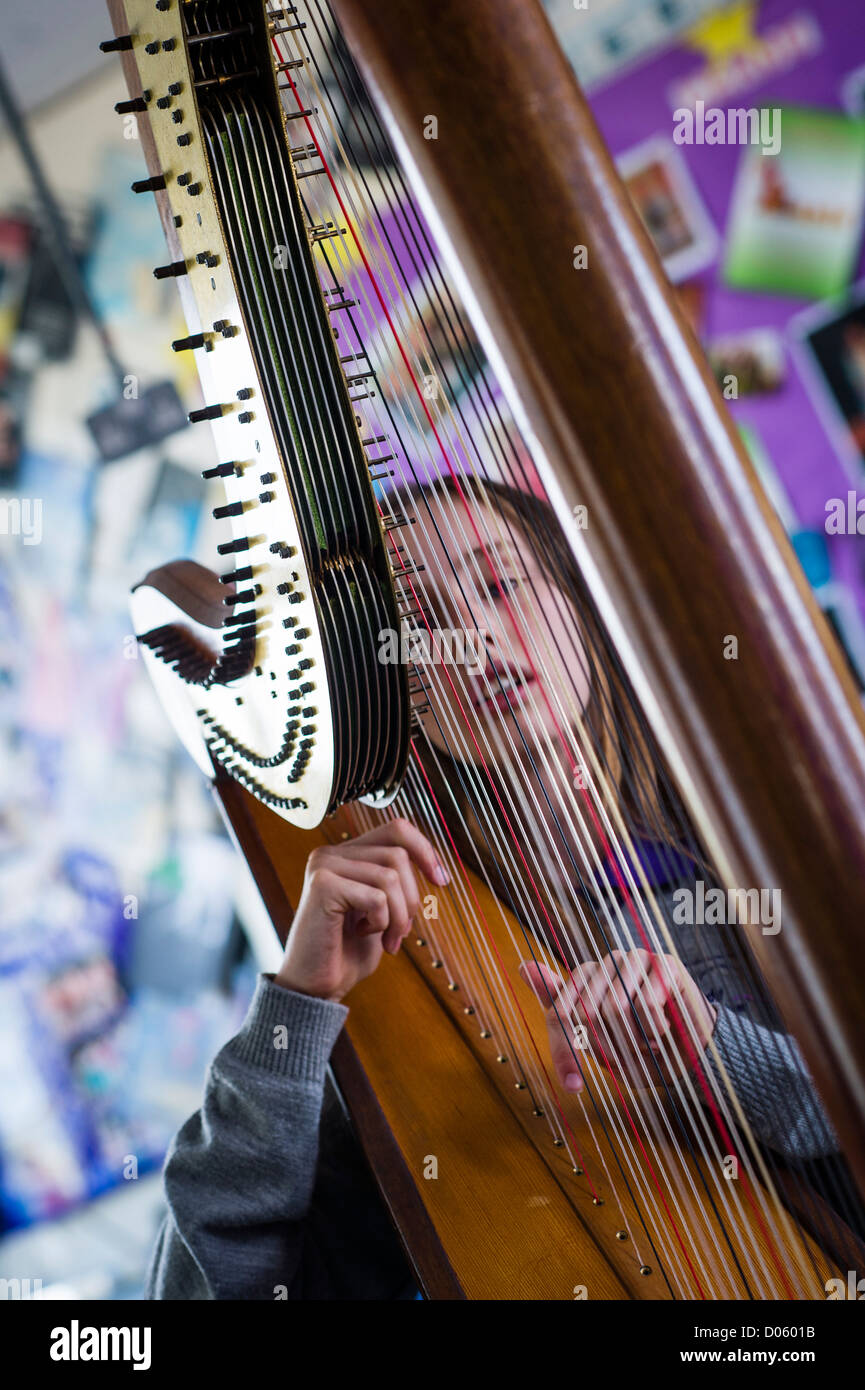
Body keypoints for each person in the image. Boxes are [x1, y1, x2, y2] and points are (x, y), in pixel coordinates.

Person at [147, 477, 840, 1300]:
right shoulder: (387, 956)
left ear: (574, 597)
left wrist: (714, 1052)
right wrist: (295, 1009)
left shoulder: (781, 831)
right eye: (419, 626)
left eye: (501, 582)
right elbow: (210, 1292)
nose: (471, 640)